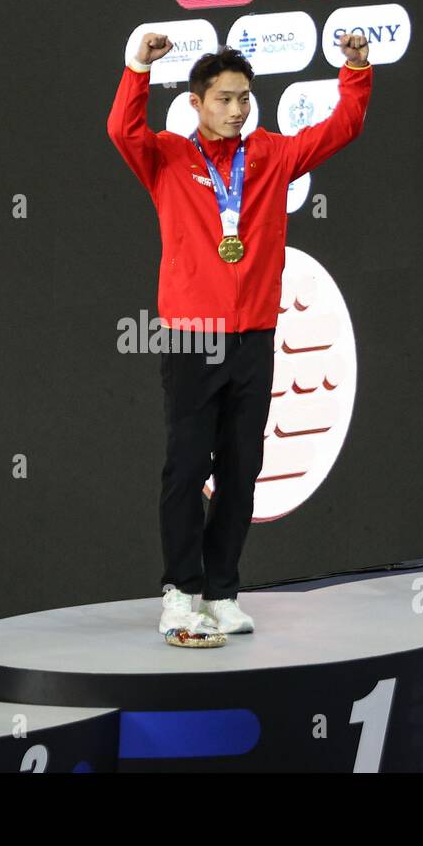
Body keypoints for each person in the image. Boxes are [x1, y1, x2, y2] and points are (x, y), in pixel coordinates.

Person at [108, 34, 372, 638]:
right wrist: (138, 66)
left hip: (254, 333)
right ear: (197, 104)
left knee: (241, 466)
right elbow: (124, 132)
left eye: (244, 99)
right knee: (184, 466)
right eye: (224, 99)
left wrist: (355, 69)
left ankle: (222, 588)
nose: (236, 110)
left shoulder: (272, 156)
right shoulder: (168, 156)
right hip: (190, 335)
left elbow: (339, 130)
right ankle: (180, 589)